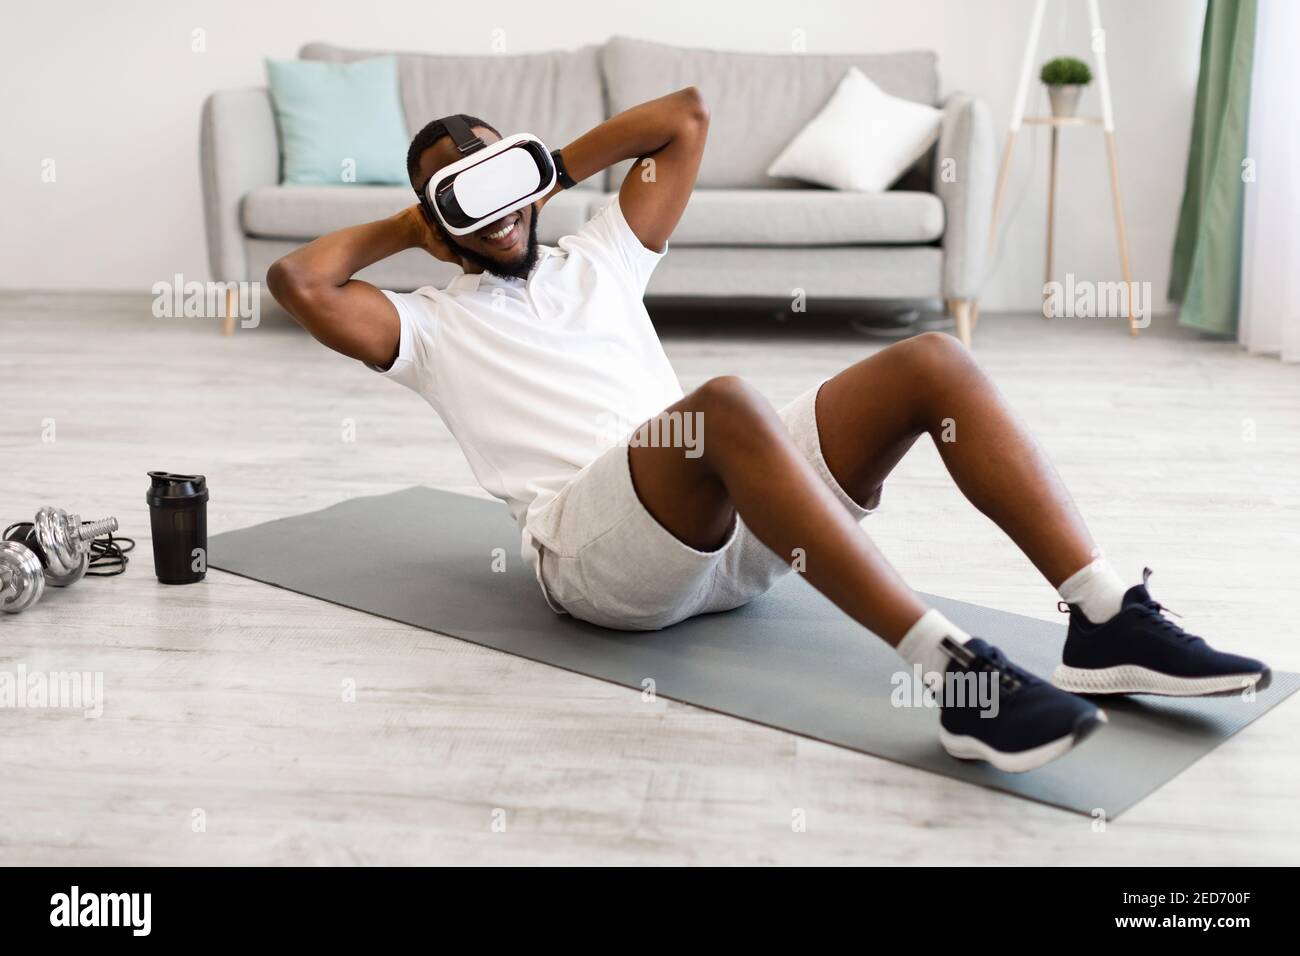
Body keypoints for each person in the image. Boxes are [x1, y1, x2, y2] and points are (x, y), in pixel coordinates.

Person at [267, 88, 1269, 774]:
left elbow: (684, 117)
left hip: (731, 521)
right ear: (438, 221)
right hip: (600, 560)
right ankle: (955, 677)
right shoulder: (428, 326)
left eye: (502, 181)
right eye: (464, 198)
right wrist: (420, 223)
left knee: (933, 360)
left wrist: (542, 167)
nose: (494, 211)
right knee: (725, 404)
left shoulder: (600, 255)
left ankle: (1103, 616)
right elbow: (297, 280)